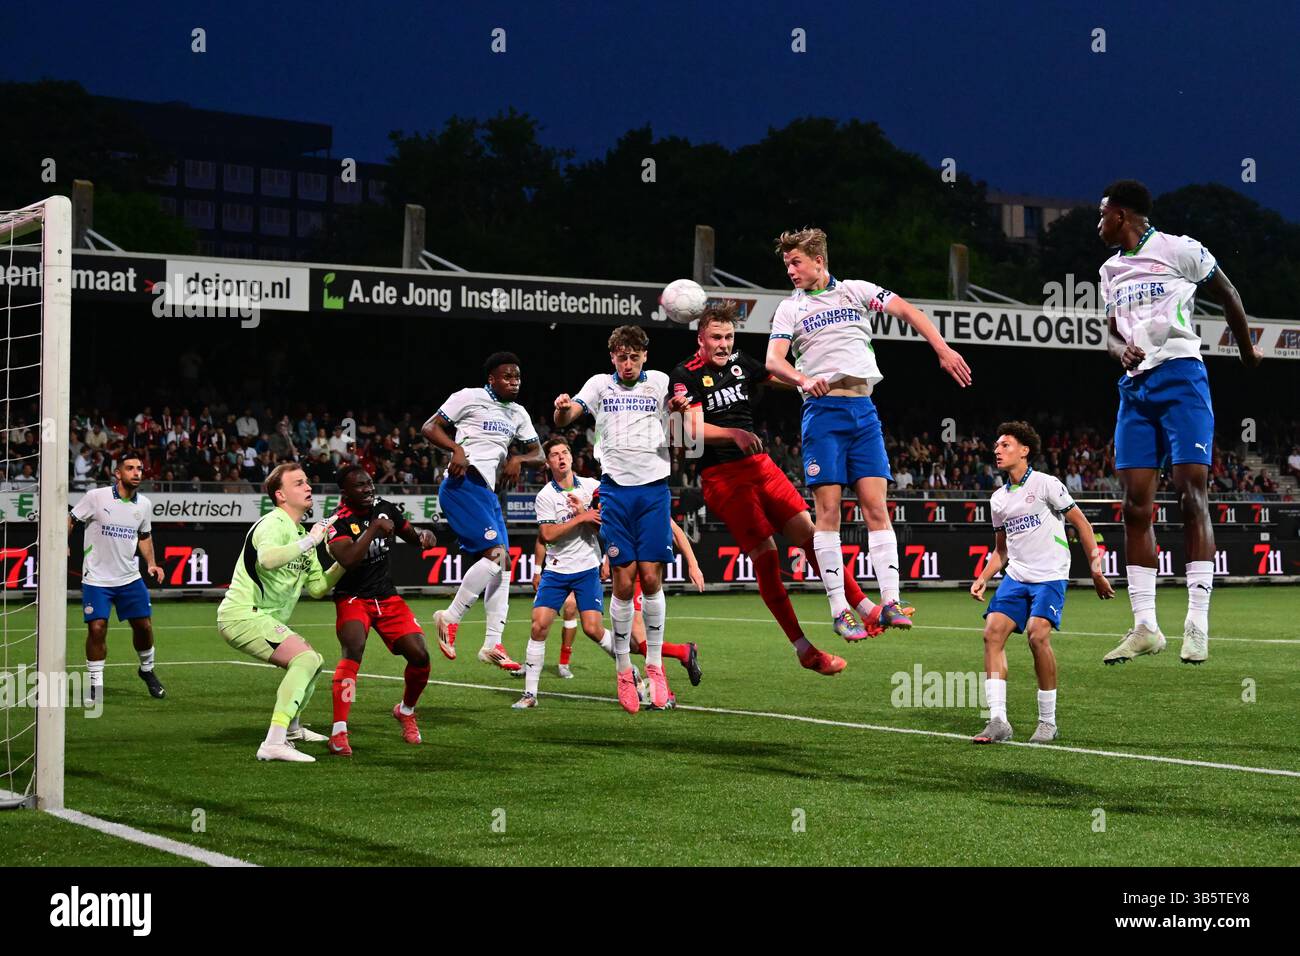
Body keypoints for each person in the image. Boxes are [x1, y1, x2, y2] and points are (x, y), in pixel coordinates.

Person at [673, 301, 910, 678]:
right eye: (716, 337)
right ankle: (803, 648)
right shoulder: (684, 374)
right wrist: (733, 433)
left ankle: (865, 608)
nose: (723, 344)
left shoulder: (742, 362)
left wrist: (816, 379)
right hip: (723, 477)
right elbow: (691, 430)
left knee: (812, 537)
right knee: (766, 556)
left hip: (762, 468)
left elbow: (781, 378)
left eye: (729, 337)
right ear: (701, 338)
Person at [765, 227, 972, 637]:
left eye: (796, 262)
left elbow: (911, 312)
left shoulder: (856, 291)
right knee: (828, 515)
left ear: (819, 260)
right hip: (822, 414)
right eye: (787, 263)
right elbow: (774, 362)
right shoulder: (790, 309)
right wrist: (803, 380)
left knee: (877, 509)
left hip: (864, 412)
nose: (791, 270)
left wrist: (943, 349)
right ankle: (840, 610)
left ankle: (891, 602)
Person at [1097, 180, 1263, 665]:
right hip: (1135, 388)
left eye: (1102, 214)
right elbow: (1109, 335)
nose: (1099, 224)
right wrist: (1118, 350)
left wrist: (1247, 348)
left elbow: (1228, 291)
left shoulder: (1179, 249)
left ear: (1122, 215)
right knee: (1133, 506)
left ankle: (1197, 623)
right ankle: (1146, 626)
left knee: (1191, 497)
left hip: (1182, 379)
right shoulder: (1109, 271)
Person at [554, 325, 678, 712]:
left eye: (634, 356)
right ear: (613, 358)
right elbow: (568, 416)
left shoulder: (659, 382)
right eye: (621, 357)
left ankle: (655, 667)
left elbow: (680, 418)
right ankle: (625, 670)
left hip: (654, 489)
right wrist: (562, 410)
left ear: (645, 355)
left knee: (652, 577)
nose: (627, 363)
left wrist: (680, 411)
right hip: (616, 492)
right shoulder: (597, 385)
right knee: (624, 584)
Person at [970, 422, 1114, 743]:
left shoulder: (1047, 484)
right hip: (1017, 576)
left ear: (1025, 450)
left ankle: (1047, 721)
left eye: (1005, 445)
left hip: (1050, 575)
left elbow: (1082, 525)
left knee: (1037, 637)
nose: (997, 450)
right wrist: (982, 577)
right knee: (992, 633)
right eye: (996, 445)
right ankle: (998, 721)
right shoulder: (998, 500)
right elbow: (1001, 551)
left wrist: (1095, 569)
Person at [216, 463, 344, 762]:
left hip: (260, 617)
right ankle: (273, 741)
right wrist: (312, 540)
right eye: (299, 483)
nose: (308, 487)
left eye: (307, 482)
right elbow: (269, 559)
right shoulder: (273, 523)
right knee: (306, 658)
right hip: (242, 614)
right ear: (280, 495)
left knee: (314, 662)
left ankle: (292, 729)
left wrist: (346, 561)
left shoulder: (301, 533)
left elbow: (317, 587)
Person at [425, 352, 544, 672]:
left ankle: (492, 643)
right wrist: (457, 449)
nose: (514, 382)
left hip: (488, 493)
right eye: (507, 376)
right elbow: (430, 427)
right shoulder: (468, 397)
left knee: (503, 564)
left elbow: (539, 453)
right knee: (495, 556)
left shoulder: (518, 413)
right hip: (462, 485)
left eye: (518, 377)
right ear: (491, 378)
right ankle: (449, 618)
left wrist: (519, 459)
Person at [324, 465, 437, 756]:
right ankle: (338, 732)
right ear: (345, 492)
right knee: (354, 648)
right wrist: (375, 526)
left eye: (370, 483)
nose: (368, 489)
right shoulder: (336, 522)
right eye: (360, 486)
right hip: (352, 597)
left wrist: (425, 536)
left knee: (420, 655)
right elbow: (348, 559)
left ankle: (406, 710)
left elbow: (413, 537)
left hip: (386, 597)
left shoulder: (386, 508)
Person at [514, 437, 618, 708]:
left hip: (586, 569)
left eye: (565, 453)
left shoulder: (594, 487)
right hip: (557, 571)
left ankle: (631, 675)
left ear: (571, 457)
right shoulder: (545, 496)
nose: (561, 458)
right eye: (555, 455)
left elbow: (607, 528)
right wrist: (580, 518)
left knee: (593, 629)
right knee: (538, 625)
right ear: (548, 463)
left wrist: (606, 554)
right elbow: (547, 535)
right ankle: (530, 694)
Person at [68, 455, 166, 703]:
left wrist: (152, 563)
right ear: (117, 473)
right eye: (130, 468)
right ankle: (95, 684)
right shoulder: (96, 497)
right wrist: (63, 543)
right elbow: (71, 518)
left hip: (129, 578)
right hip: (97, 579)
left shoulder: (143, 504)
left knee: (144, 626)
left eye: (140, 469)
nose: (137, 473)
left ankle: (147, 670)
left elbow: (144, 536)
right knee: (97, 628)